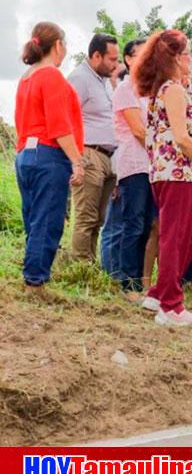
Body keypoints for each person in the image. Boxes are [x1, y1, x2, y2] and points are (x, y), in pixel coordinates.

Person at [133, 29, 192, 325]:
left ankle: (159, 292)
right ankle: (171, 307)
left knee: (189, 233)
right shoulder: (173, 91)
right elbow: (181, 137)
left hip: (169, 173)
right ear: (176, 58)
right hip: (175, 173)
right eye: (188, 54)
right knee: (174, 235)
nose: (191, 59)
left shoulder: (167, 89)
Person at [14, 22, 85, 292]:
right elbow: (59, 127)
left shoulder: (26, 77)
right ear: (58, 45)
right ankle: (35, 280)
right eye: (65, 44)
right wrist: (77, 161)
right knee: (48, 219)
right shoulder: (52, 76)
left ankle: (33, 273)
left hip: (26, 153)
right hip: (48, 155)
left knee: (34, 218)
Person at [68, 33, 119, 262]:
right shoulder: (80, 78)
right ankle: (80, 266)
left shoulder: (105, 81)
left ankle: (89, 265)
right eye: (111, 59)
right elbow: (66, 118)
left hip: (107, 156)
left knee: (99, 218)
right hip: (88, 152)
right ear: (96, 55)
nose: (115, 64)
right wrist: (76, 158)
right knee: (86, 216)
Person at [111, 38, 155, 301]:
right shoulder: (125, 89)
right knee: (133, 224)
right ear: (128, 59)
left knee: (147, 225)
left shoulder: (150, 90)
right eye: (141, 55)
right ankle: (128, 284)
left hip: (152, 166)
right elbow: (139, 131)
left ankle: (139, 283)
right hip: (135, 165)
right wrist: (164, 148)